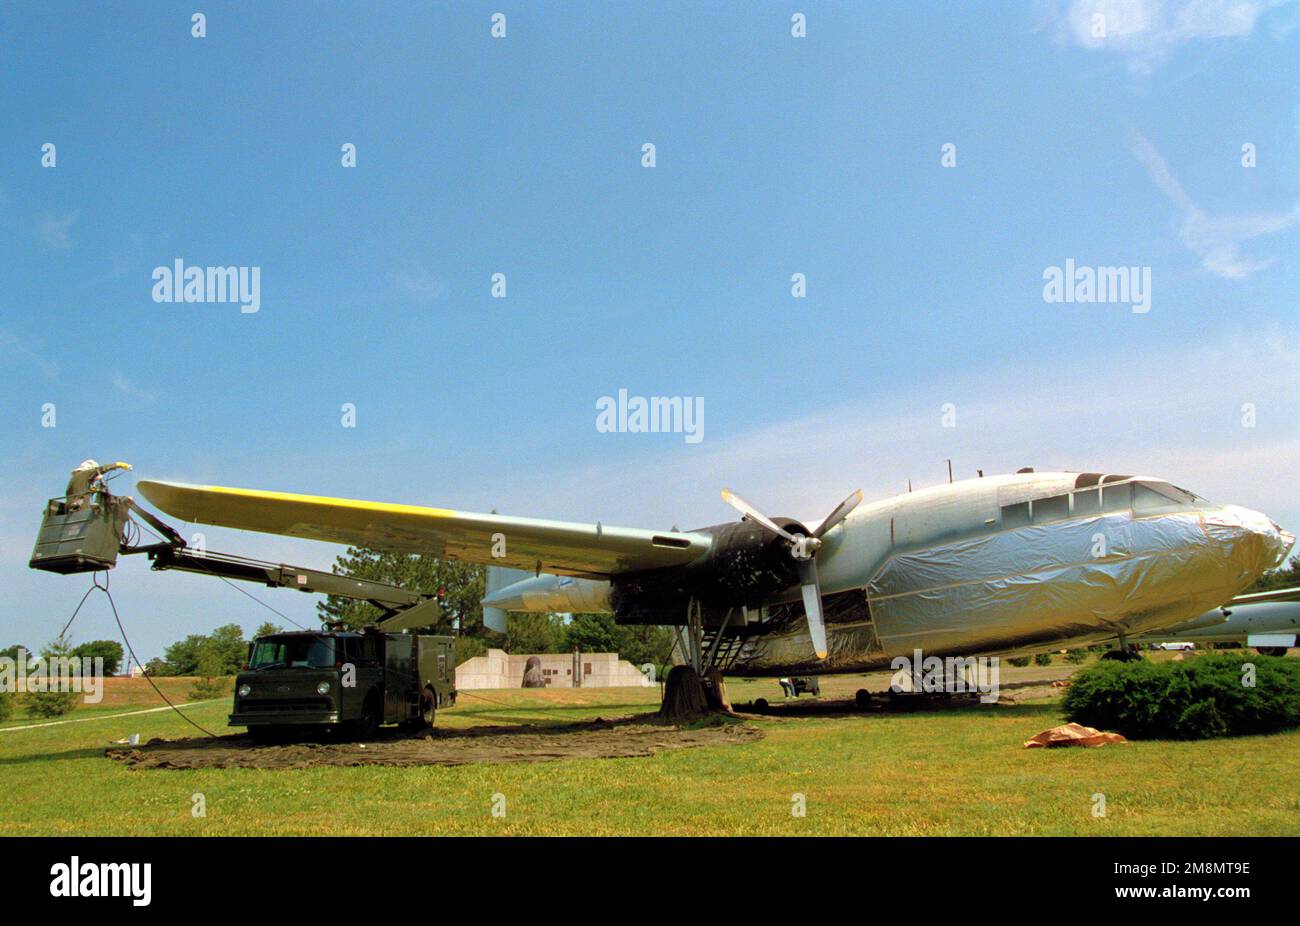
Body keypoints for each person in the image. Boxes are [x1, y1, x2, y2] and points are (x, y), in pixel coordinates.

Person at [64, 459, 131, 511]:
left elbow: (78, 491)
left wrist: (91, 490)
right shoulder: (85, 473)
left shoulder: (75, 478)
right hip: (80, 509)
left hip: (69, 509)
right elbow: (101, 469)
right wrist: (118, 464)